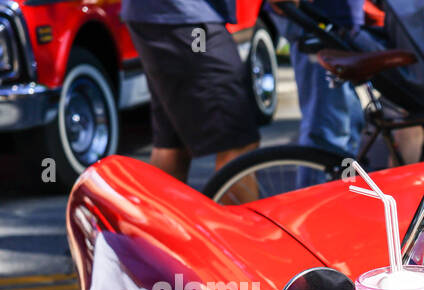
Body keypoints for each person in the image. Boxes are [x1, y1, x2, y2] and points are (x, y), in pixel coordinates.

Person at [120, 0, 261, 189]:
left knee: (173, 143)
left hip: (169, 17)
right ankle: (237, 218)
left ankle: (161, 218)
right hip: (188, 23)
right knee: (238, 142)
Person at [271, 1, 368, 158]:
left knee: (348, 126)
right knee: (326, 134)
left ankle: (344, 181)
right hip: (317, 21)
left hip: (337, 21)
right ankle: (323, 181)